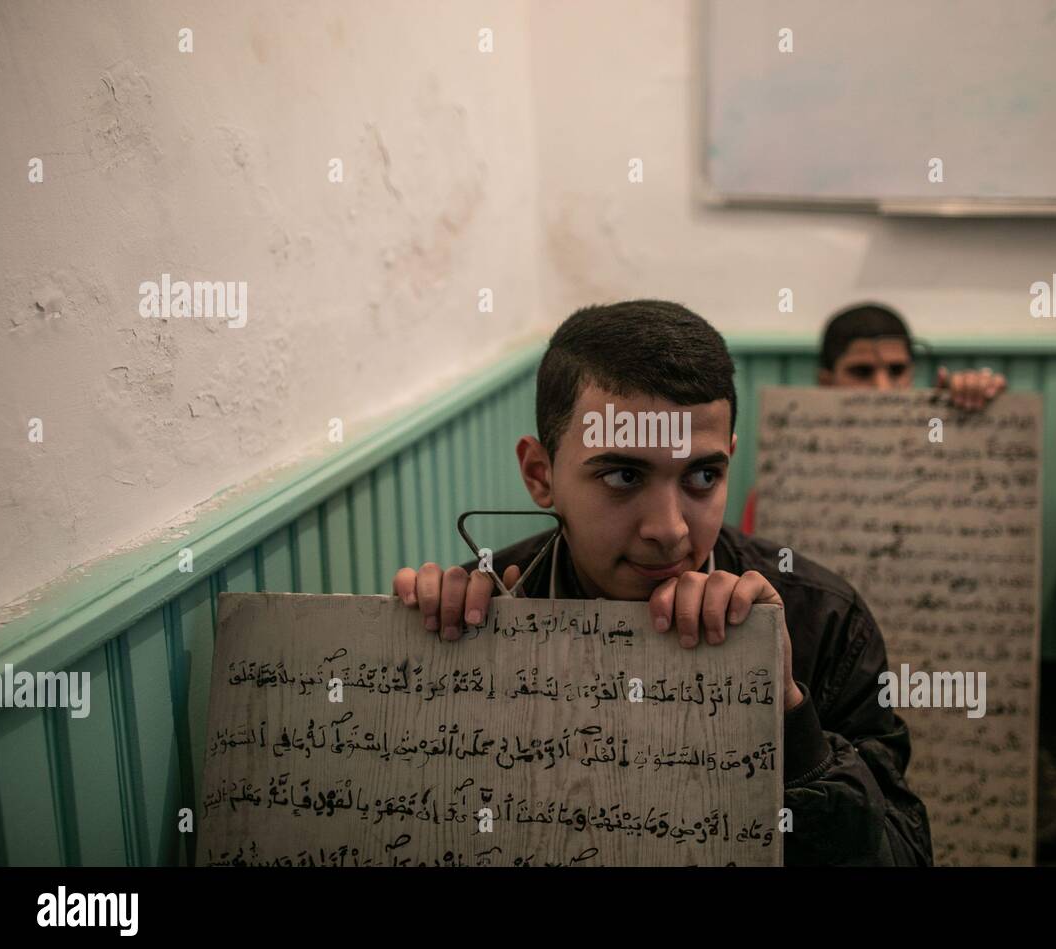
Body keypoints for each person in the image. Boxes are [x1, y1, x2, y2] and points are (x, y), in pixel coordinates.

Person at [392, 300, 933, 865]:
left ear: (730, 460)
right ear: (540, 474)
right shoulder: (487, 615)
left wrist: (788, 716)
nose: (670, 530)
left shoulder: (819, 620)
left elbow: (905, 852)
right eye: (623, 475)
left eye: (703, 476)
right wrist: (428, 675)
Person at [740, 303, 1006, 533]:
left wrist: (972, 411)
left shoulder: (940, 445)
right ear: (826, 381)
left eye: (896, 370)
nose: (883, 388)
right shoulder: (789, 478)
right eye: (862, 372)